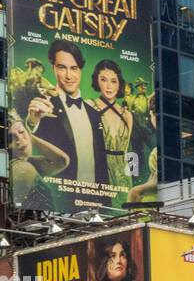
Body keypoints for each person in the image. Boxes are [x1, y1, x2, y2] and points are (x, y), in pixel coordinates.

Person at [28, 39, 110, 188]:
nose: (68, 75)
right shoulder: (45, 105)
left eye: (74, 68)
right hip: (60, 200)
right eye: (61, 67)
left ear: (80, 70)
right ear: (53, 67)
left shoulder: (94, 114)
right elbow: (28, 145)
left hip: (94, 200)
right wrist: (32, 122)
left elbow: (101, 164)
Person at [91, 60, 134, 195]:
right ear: (97, 81)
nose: (109, 86)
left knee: (125, 214)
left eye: (113, 81)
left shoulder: (127, 115)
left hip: (123, 175)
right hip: (98, 169)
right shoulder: (89, 105)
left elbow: (126, 149)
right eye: (103, 80)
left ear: (119, 83)